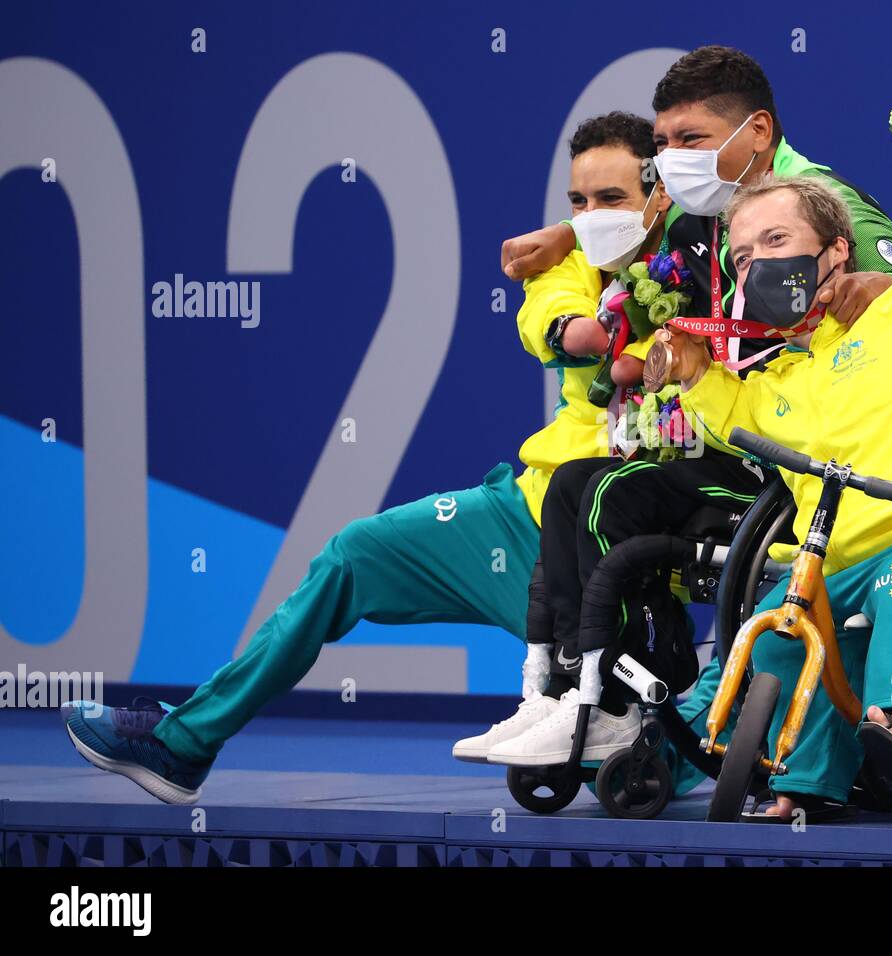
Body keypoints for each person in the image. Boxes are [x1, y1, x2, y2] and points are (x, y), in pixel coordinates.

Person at [59, 112, 665, 805]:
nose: (590, 218)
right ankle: (183, 744)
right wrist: (596, 328)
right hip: (521, 514)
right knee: (353, 555)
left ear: (659, 195)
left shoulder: (703, 277)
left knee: (630, 756)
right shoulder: (562, 265)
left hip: (605, 543)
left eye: (611, 200)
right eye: (576, 203)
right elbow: (554, 325)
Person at [484, 46, 892, 779]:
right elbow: (637, 243)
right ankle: (573, 692)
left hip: (810, 459)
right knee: (573, 484)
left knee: (608, 499)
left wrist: (881, 288)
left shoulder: (822, 202)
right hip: (731, 434)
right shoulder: (704, 212)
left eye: (689, 141)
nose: (670, 161)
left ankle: (614, 704)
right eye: (660, 145)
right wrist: (568, 235)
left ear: (756, 133)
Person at [658, 169, 892, 819]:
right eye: (743, 256)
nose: (759, 264)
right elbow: (730, 417)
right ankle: (801, 785)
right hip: (842, 570)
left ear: (836, 249)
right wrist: (688, 370)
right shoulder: (783, 376)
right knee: (777, 637)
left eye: (776, 239)